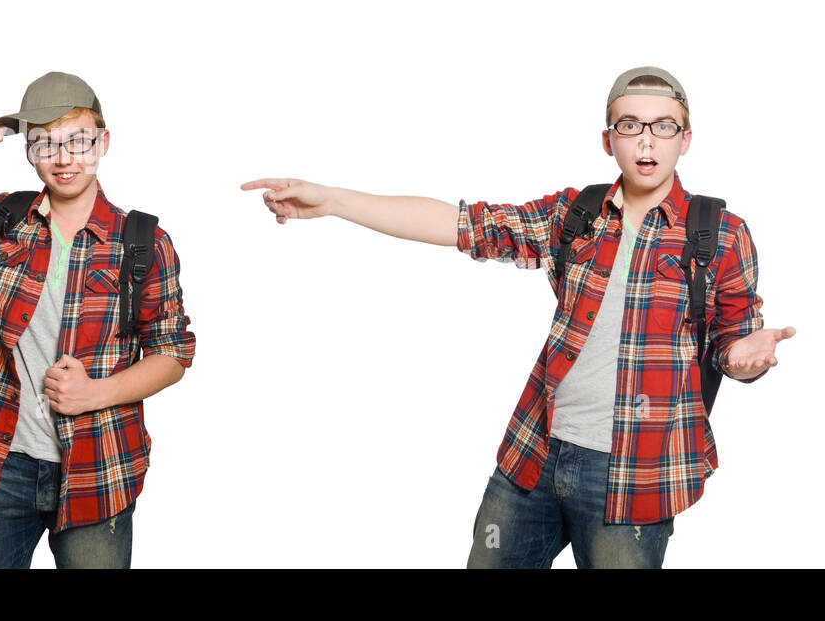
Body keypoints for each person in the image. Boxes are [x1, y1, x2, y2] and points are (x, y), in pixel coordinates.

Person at [242, 66, 793, 568]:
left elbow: (734, 342)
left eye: (663, 126)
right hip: (536, 452)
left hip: (634, 475)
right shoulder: (575, 214)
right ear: (608, 140)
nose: (646, 139)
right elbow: (461, 224)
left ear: (686, 139)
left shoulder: (718, 232)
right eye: (629, 125)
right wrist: (334, 200)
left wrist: (745, 360)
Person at [0, 71, 196, 568]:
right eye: (45, 143)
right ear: (28, 150)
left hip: (98, 468)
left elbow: (173, 353)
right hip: (1, 468)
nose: (63, 159)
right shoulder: (4, 222)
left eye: (78, 141)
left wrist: (96, 393)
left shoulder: (144, 243)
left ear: (103, 142)